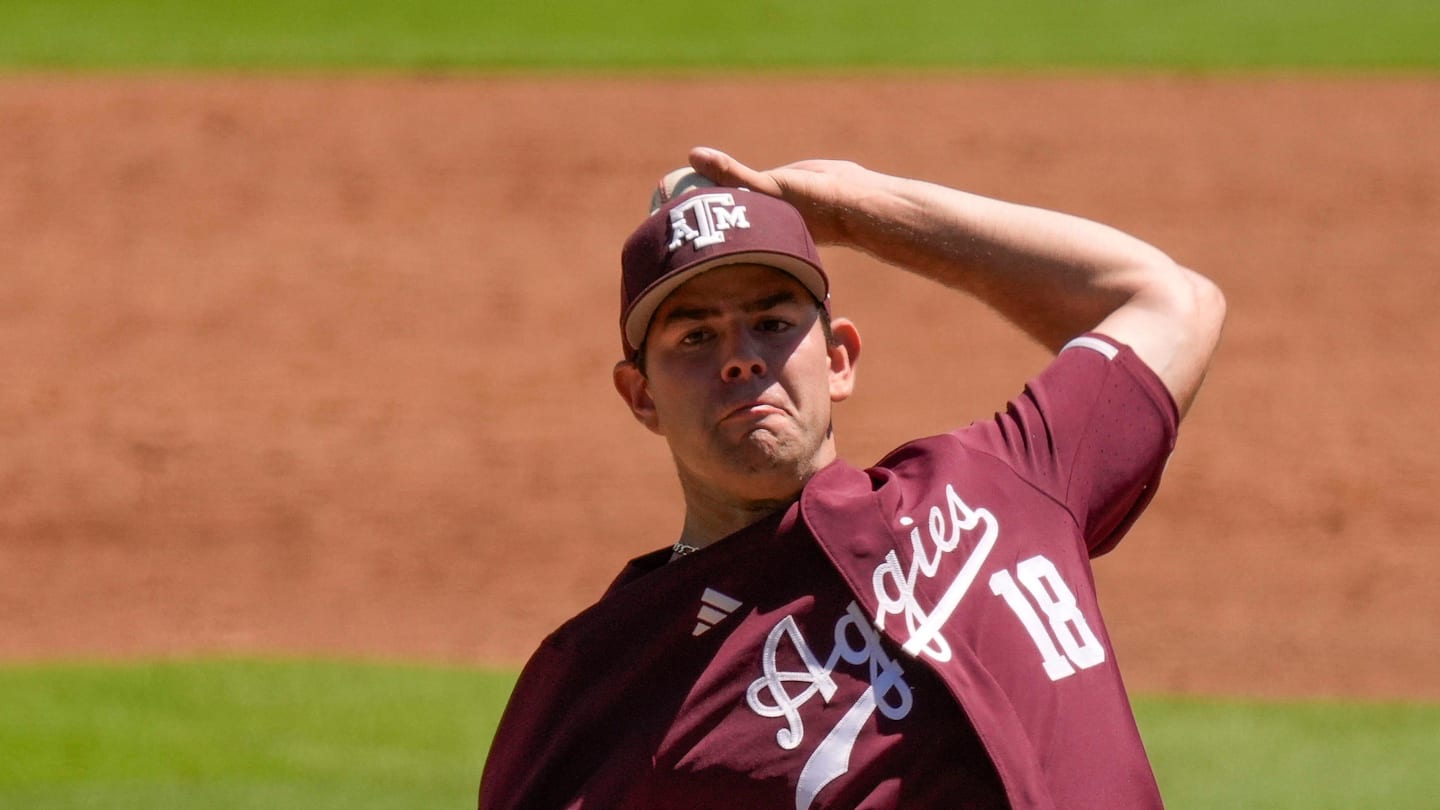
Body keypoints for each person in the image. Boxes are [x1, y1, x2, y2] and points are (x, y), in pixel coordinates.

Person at [478, 146, 1225, 809]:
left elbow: (1173, 301)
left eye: (773, 323)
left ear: (838, 359)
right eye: (696, 336)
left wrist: (853, 209)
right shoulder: (608, 679)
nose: (741, 358)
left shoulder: (1006, 476)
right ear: (641, 396)